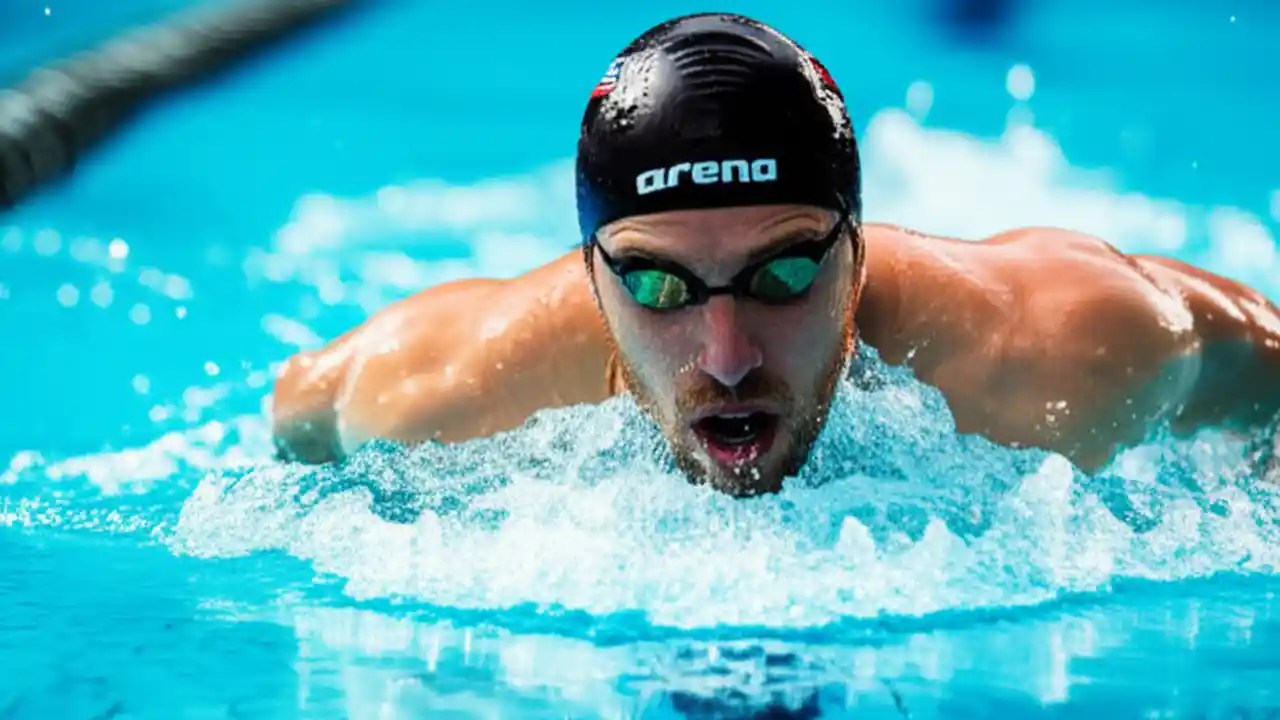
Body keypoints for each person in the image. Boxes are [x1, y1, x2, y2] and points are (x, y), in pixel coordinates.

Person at [269, 12, 1280, 496]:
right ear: (589, 279)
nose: (725, 355)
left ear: (857, 256)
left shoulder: (1064, 355)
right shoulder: (440, 390)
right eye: (659, 284)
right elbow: (296, 417)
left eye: (783, 274)